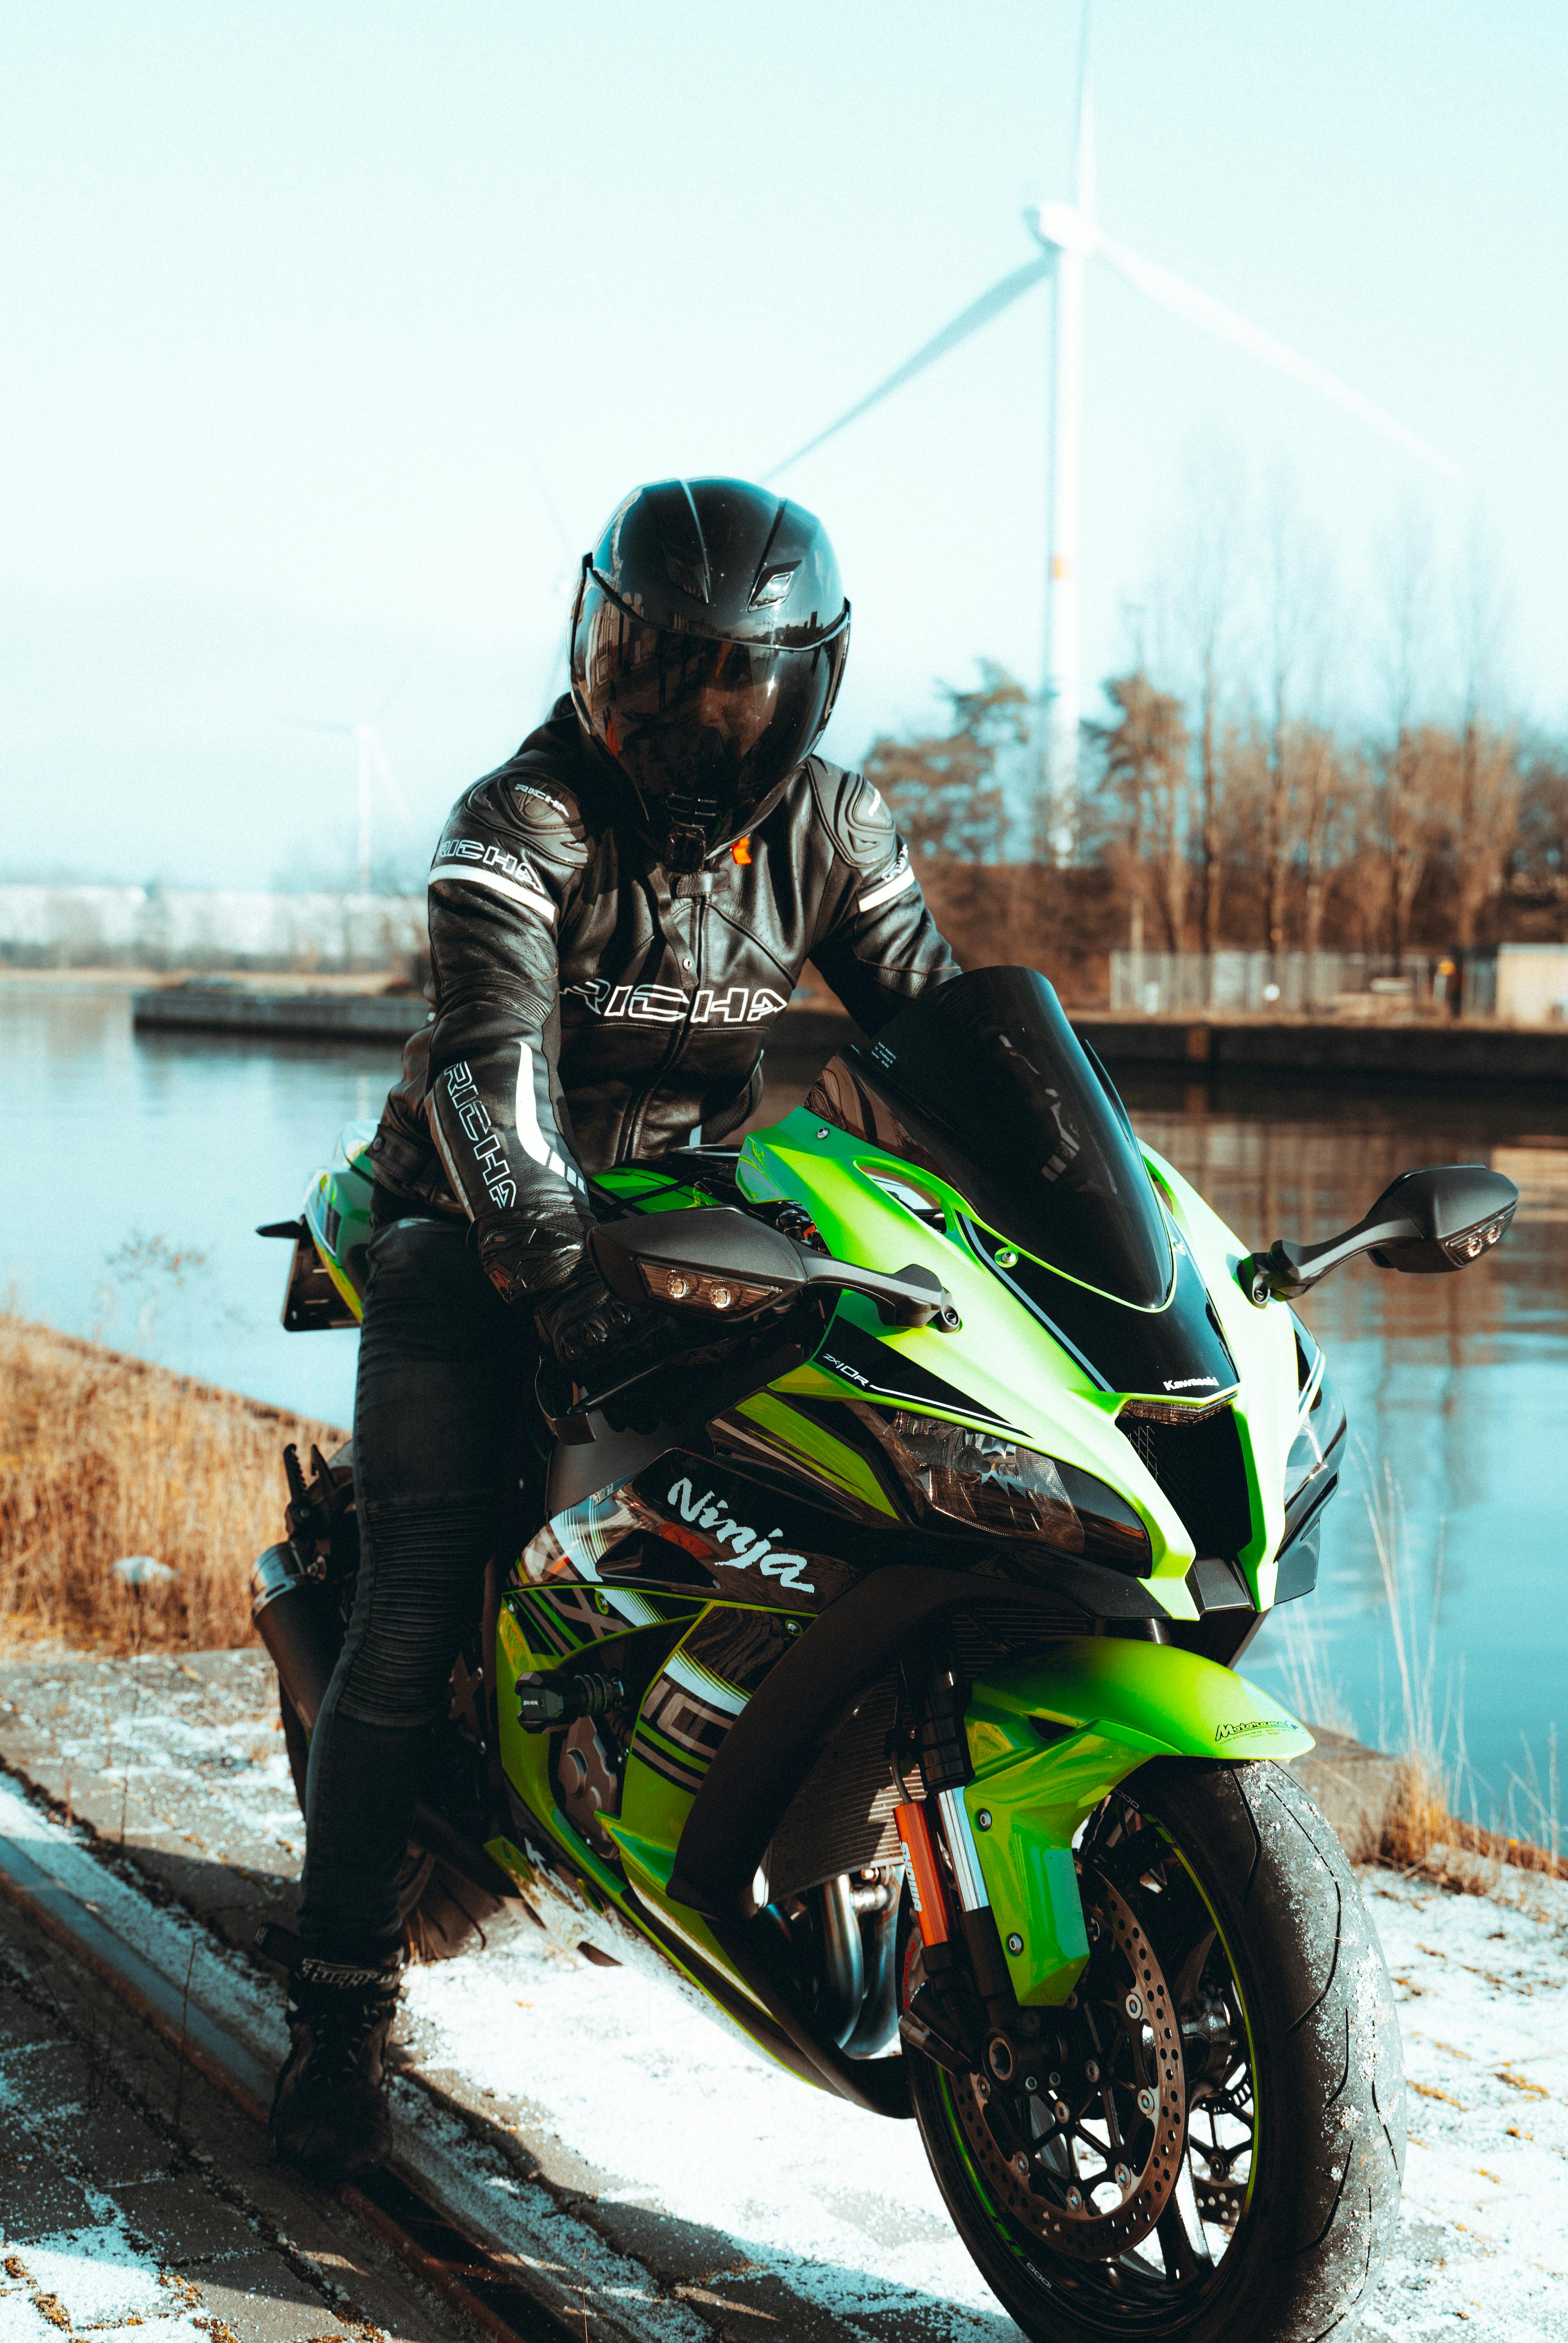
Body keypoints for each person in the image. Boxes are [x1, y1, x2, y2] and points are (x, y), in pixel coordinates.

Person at [270, 476, 959, 2174]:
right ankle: (340, 2013)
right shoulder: (516, 820)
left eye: (726, 678)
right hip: (463, 1223)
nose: (682, 709)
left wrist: (1079, 1212)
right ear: (592, 642)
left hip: (697, 1223)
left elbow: (947, 1038)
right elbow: (495, 1061)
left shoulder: (838, 832)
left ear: (805, 681)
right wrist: (542, 1248)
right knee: (419, 1602)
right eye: (647, 664)